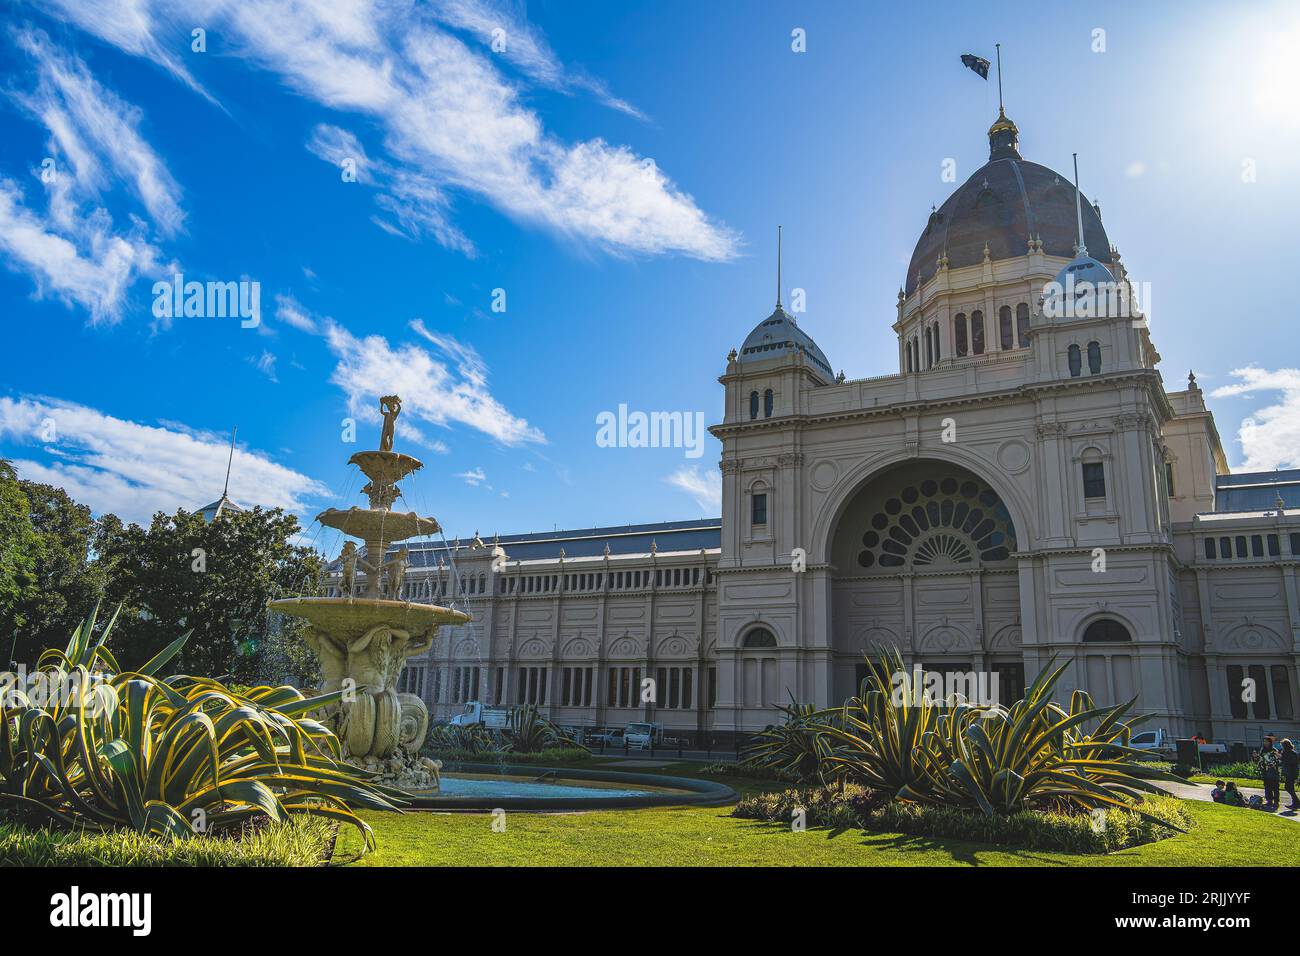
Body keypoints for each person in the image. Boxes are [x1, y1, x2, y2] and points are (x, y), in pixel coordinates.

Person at [1258, 736, 1281, 808]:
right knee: (1267, 787)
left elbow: (1278, 761)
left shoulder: (1274, 750)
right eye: (1264, 742)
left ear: (1270, 742)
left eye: (1266, 742)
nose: (1265, 743)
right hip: (1266, 772)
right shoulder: (1262, 750)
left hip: (1274, 772)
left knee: (1275, 788)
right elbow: (1261, 761)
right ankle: (1269, 801)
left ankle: (1276, 801)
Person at [1281, 739, 1300, 810]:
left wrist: (1281, 757)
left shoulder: (1288, 753)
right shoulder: (1291, 752)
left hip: (1291, 773)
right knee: (1289, 788)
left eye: (1282, 745)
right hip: (1291, 773)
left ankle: (1296, 802)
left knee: (1288, 788)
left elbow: (1291, 762)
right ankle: (1295, 802)